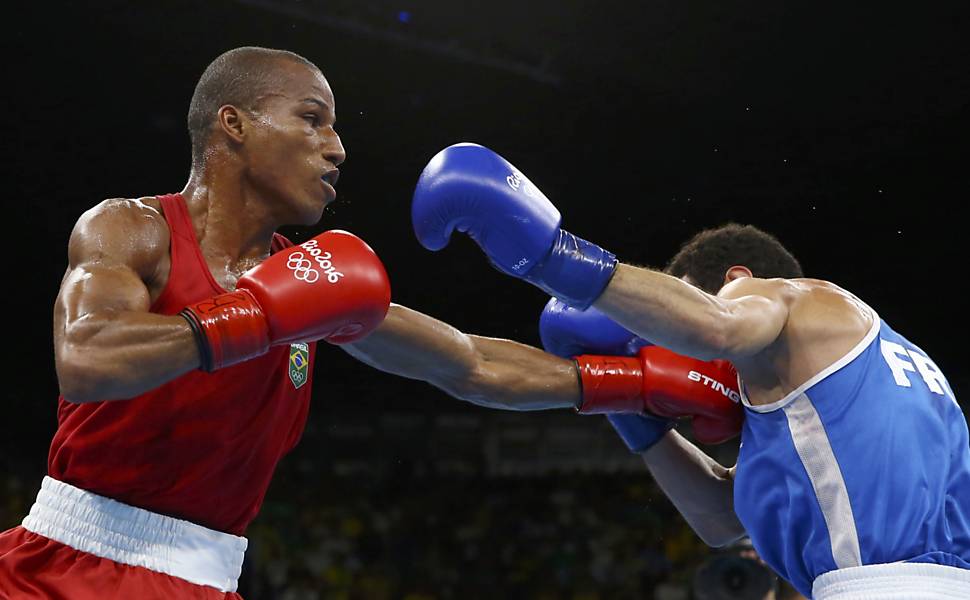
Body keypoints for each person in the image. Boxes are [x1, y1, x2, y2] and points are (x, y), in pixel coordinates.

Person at [0, 48, 742, 599]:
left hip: (201, 578)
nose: (338, 147)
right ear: (234, 123)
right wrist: (256, 314)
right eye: (312, 119)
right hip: (56, 561)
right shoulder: (132, 231)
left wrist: (636, 384)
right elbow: (87, 356)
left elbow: (471, 364)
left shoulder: (317, 285)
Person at [408, 142, 970, 599]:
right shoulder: (861, 382)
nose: (688, 362)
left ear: (735, 279)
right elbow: (723, 520)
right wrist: (633, 411)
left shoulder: (789, 297)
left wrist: (552, 255)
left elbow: (716, 327)